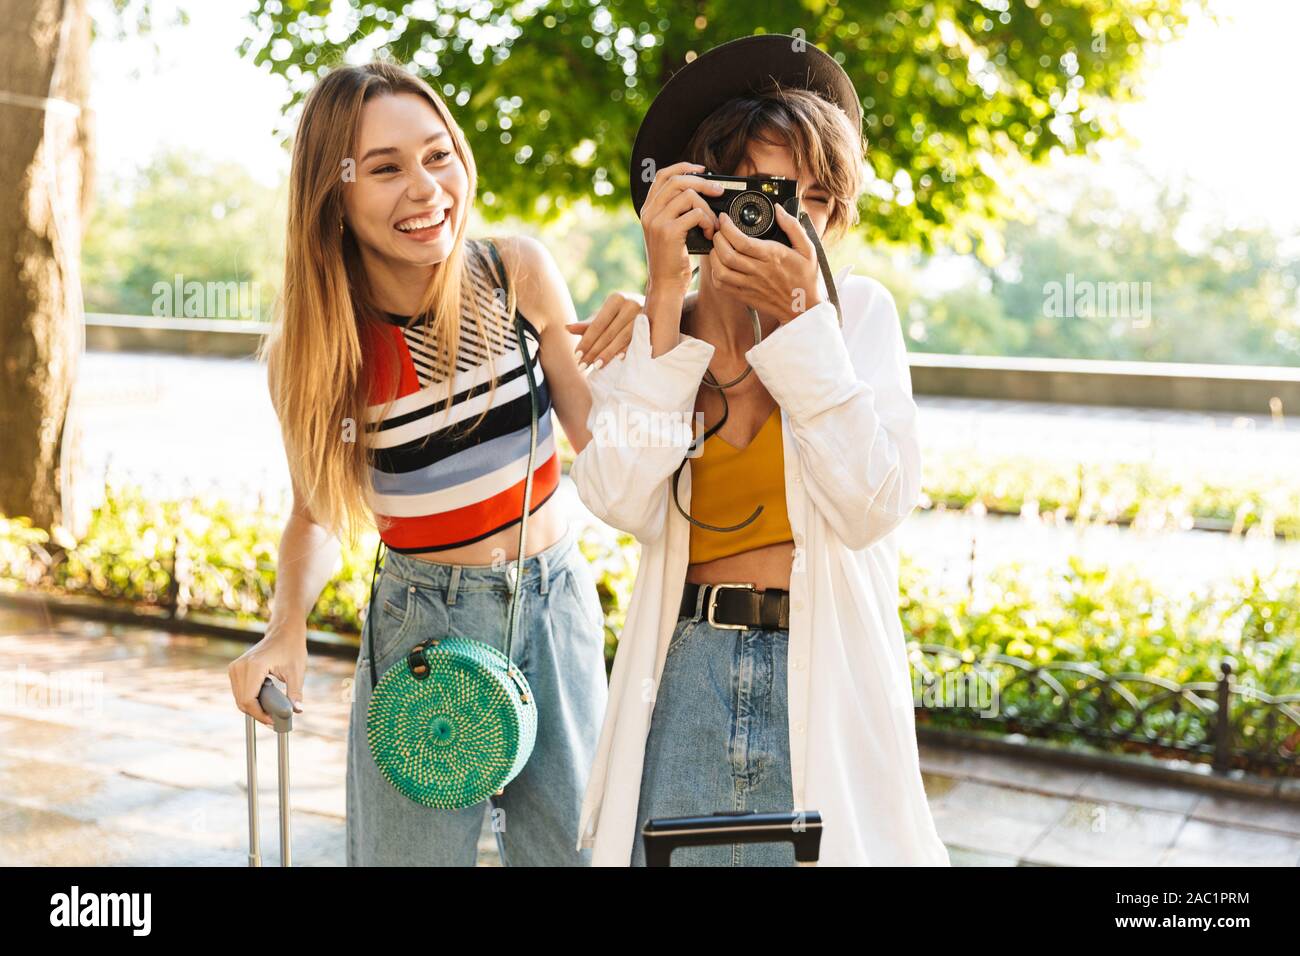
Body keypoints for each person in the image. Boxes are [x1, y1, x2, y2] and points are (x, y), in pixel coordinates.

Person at [227, 61, 643, 866]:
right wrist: (286, 628)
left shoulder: (514, 271)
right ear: (333, 195)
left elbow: (601, 441)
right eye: (384, 168)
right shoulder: (314, 353)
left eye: (438, 154)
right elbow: (316, 516)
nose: (425, 188)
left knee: (579, 854)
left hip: (551, 607)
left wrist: (655, 327)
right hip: (423, 627)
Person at [571, 34, 951, 866]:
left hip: (825, 669)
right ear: (708, 194)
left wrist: (804, 326)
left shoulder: (858, 316)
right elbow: (615, 498)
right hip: (688, 669)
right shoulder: (654, 323)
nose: (794, 220)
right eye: (771, 192)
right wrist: (666, 294)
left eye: (818, 198)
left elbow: (872, 507)